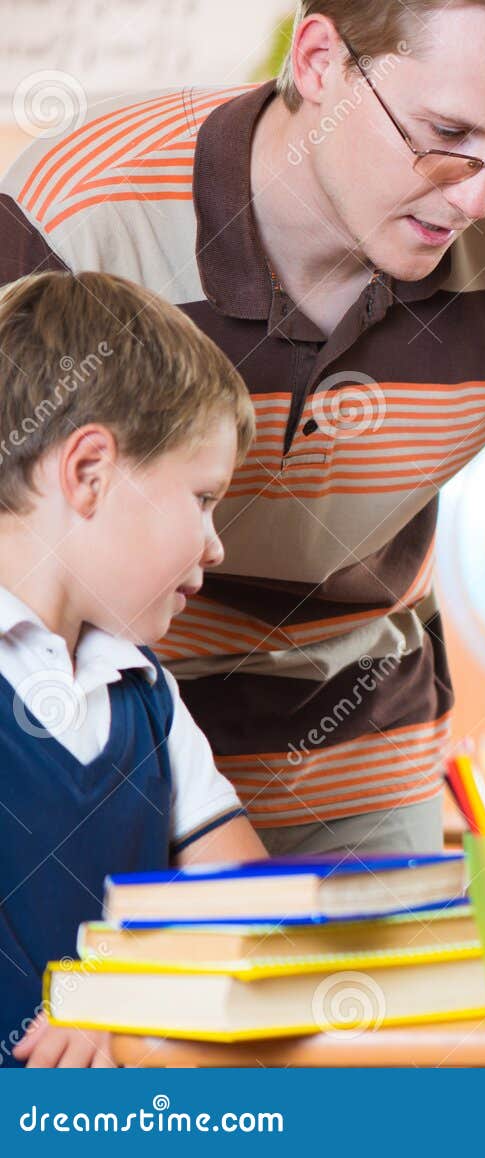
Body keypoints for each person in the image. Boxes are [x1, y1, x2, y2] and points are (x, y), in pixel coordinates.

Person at [0, 0, 485, 855]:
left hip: (362, 776)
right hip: (95, 765)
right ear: (321, 59)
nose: (481, 197)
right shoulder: (73, 209)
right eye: (447, 132)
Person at [0, 271, 267, 1068]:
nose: (216, 546)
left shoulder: (146, 692)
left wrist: (131, 998)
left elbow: (250, 917)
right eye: (203, 496)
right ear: (89, 472)